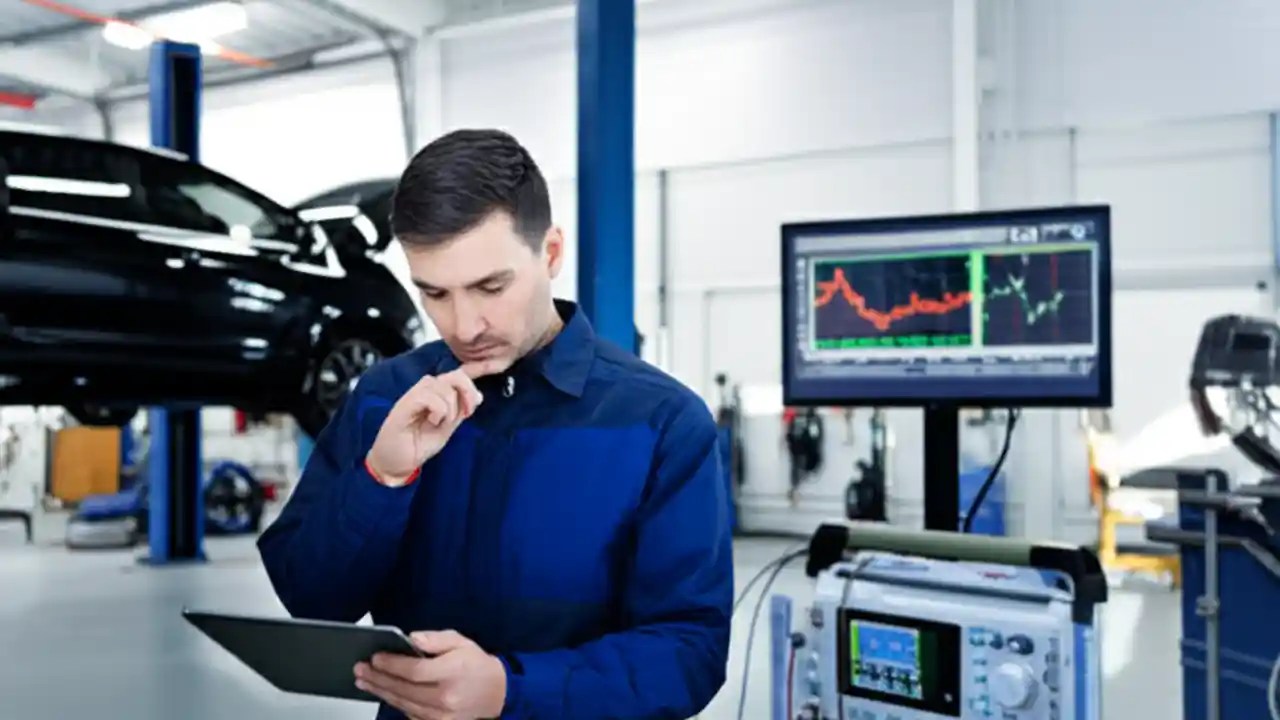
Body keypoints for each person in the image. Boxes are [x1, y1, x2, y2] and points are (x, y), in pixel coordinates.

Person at [257, 128, 733, 720]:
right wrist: (380, 478)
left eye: (491, 286)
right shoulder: (385, 399)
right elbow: (311, 599)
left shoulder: (662, 422)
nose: (464, 324)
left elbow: (690, 652)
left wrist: (511, 690)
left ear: (551, 254)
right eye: (435, 293)